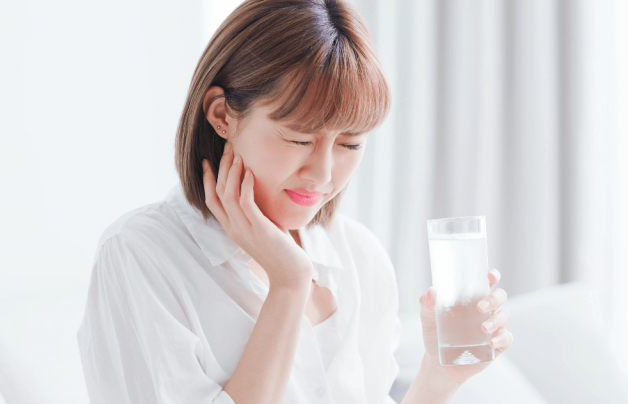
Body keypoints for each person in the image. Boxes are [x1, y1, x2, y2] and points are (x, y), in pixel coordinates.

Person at [76, 0, 513, 403]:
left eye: (350, 145)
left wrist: (438, 376)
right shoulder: (141, 255)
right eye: (299, 138)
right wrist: (288, 284)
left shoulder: (358, 255)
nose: (323, 174)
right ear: (222, 114)